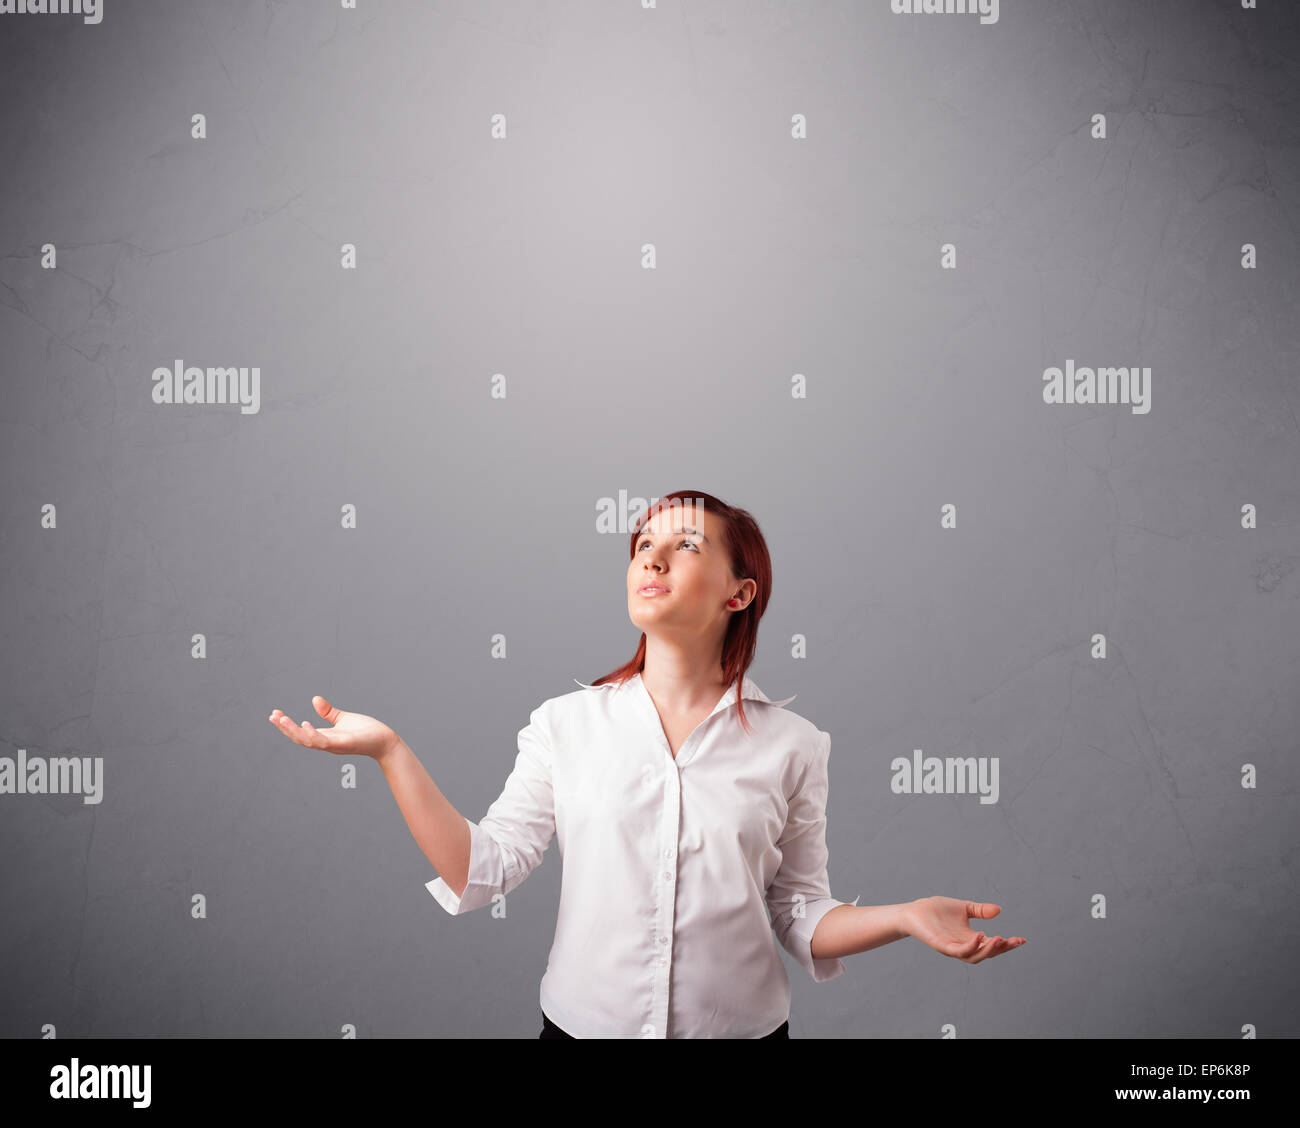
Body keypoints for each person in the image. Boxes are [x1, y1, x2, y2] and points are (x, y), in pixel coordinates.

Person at [269, 490, 1026, 1038]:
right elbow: (482, 869)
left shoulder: (796, 745)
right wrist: (390, 753)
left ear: (741, 592)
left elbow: (799, 915)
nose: (653, 557)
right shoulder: (563, 725)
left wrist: (903, 918)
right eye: (642, 546)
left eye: (687, 544)